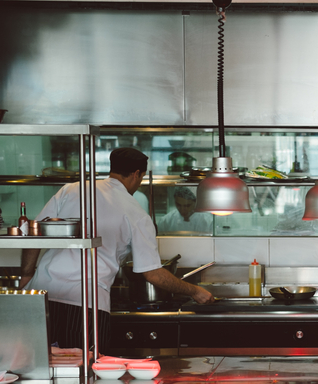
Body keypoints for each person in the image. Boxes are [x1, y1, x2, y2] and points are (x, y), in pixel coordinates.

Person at [21, 148, 214, 350]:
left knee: (40, 366)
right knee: (85, 369)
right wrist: (194, 291)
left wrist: (26, 275)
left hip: (42, 296)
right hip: (85, 302)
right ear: (137, 174)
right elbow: (152, 273)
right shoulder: (136, 212)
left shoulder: (70, 190)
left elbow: (33, 234)